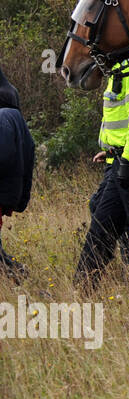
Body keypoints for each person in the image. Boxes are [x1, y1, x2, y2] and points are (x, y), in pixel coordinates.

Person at [74, 49, 129, 290]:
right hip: (121, 157)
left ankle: (83, 287)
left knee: (107, 224)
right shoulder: (121, 68)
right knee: (117, 218)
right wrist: (111, 150)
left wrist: (128, 159)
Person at [0, 66, 36, 281]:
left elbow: (2, 157)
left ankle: (17, 274)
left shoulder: (3, 117)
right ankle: (16, 274)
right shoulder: (13, 115)